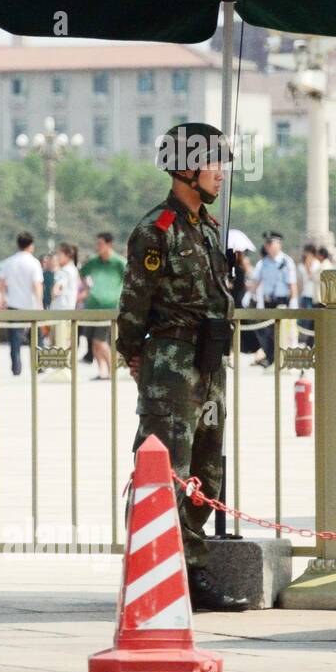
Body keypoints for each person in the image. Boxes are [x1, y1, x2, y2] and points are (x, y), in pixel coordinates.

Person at [116, 121, 248, 612]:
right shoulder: (157, 230)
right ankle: (151, 568)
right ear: (187, 168)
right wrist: (133, 352)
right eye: (213, 163)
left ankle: (189, 571)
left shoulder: (208, 228)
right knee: (166, 468)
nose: (221, 174)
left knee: (205, 474)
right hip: (172, 362)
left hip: (210, 362)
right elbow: (134, 303)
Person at [78, 232, 126, 379]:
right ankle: (102, 372)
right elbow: (81, 273)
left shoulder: (119, 262)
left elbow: (129, 280)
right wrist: (87, 287)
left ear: (109, 244)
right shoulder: (93, 261)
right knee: (93, 342)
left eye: (100, 244)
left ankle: (113, 369)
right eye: (97, 244)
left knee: (100, 340)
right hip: (92, 306)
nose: (97, 247)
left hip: (109, 307)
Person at [0, 232, 42, 375]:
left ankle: (16, 367)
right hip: (31, 305)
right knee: (35, 337)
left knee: (14, 338)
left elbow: (2, 283)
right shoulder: (34, 262)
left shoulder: (9, 262)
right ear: (31, 245)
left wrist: (4, 298)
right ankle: (39, 365)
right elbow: (37, 285)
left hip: (14, 304)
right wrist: (39, 303)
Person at [252, 231, 297, 366]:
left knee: (281, 332)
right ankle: (271, 357)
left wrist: (293, 304)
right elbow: (256, 282)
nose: (268, 246)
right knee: (266, 331)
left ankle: (281, 359)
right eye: (267, 243)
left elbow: (292, 285)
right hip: (268, 302)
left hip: (282, 301)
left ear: (279, 245)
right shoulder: (263, 263)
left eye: (270, 243)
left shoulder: (287, 262)